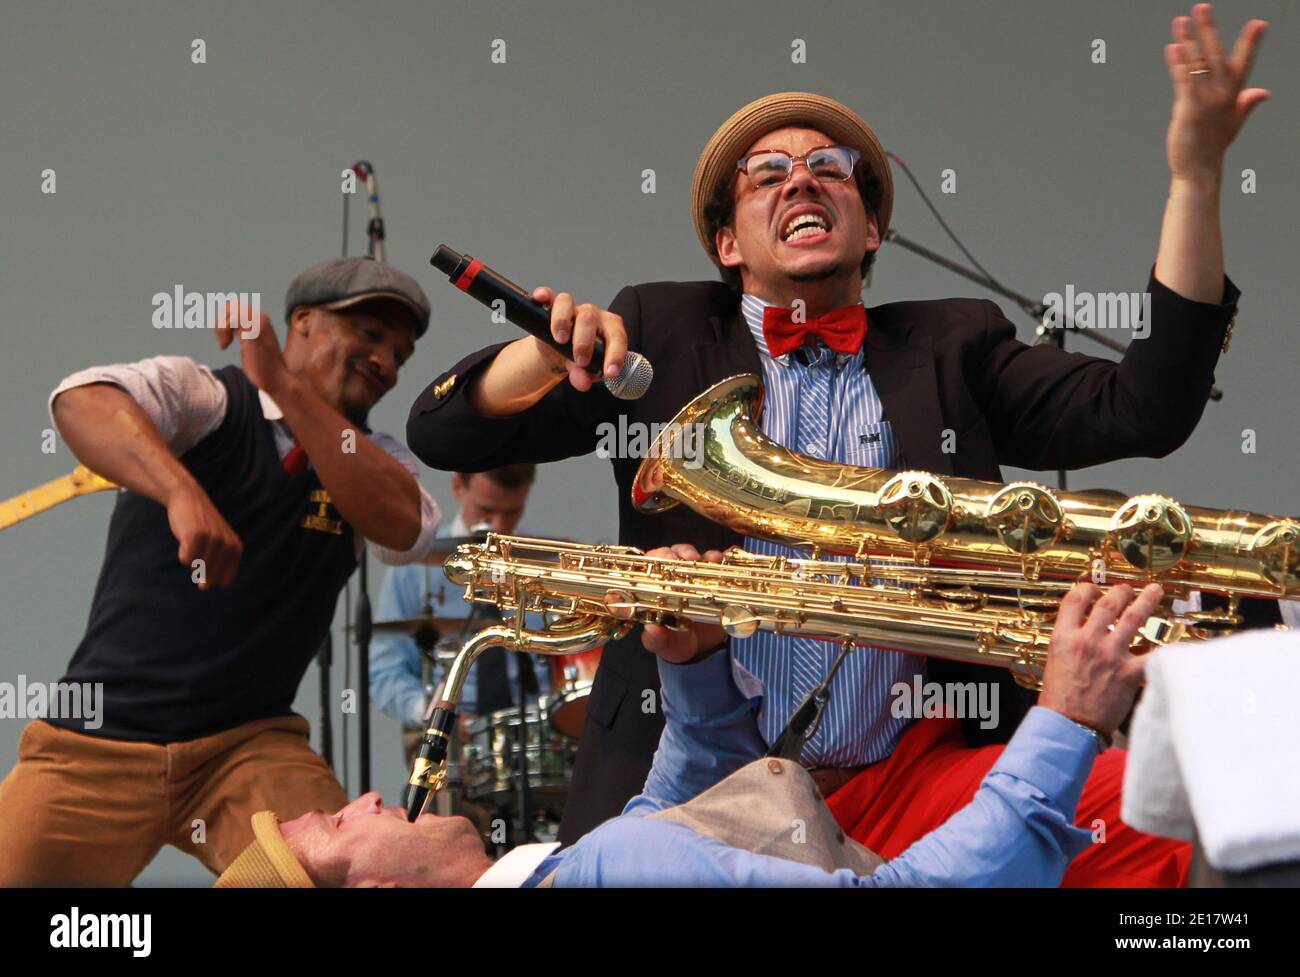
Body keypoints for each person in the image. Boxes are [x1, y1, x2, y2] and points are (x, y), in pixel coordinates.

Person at [404, 5, 1264, 881]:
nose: (802, 181)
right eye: (766, 172)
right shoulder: (656, 329)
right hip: (696, 777)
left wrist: (1194, 178)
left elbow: (1146, 408)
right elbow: (441, 431)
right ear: (728, 243)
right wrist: (541, 357)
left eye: (832, 169)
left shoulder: (955, 340)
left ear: (873, 225)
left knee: (1173, 812)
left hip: (912, 772)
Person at [216, 579, 1161, 887]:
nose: (369, 795)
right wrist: (1066, 718)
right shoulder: (610, 869)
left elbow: (688, 811)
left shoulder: (588, 864)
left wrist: (696, 666)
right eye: (342, 824)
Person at [0, 257, 442, 886]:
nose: (387, 363)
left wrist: (289, 390)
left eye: (400, 353)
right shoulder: (204, 397)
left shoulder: (378, 460)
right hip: (95, 744)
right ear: (306, 323)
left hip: (249, 748)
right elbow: (81, 400)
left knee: (347, 868)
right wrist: (182, 493)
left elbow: (404, 529)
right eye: (370, 335)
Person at [370, 463, 549, 765]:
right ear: (457, 487)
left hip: (536, 736)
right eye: (486, 510)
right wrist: (433, 711)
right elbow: (384, 671)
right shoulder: (416, 569)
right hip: (451, 737)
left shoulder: (544, 563)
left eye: (512, 512)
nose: (498, 525)